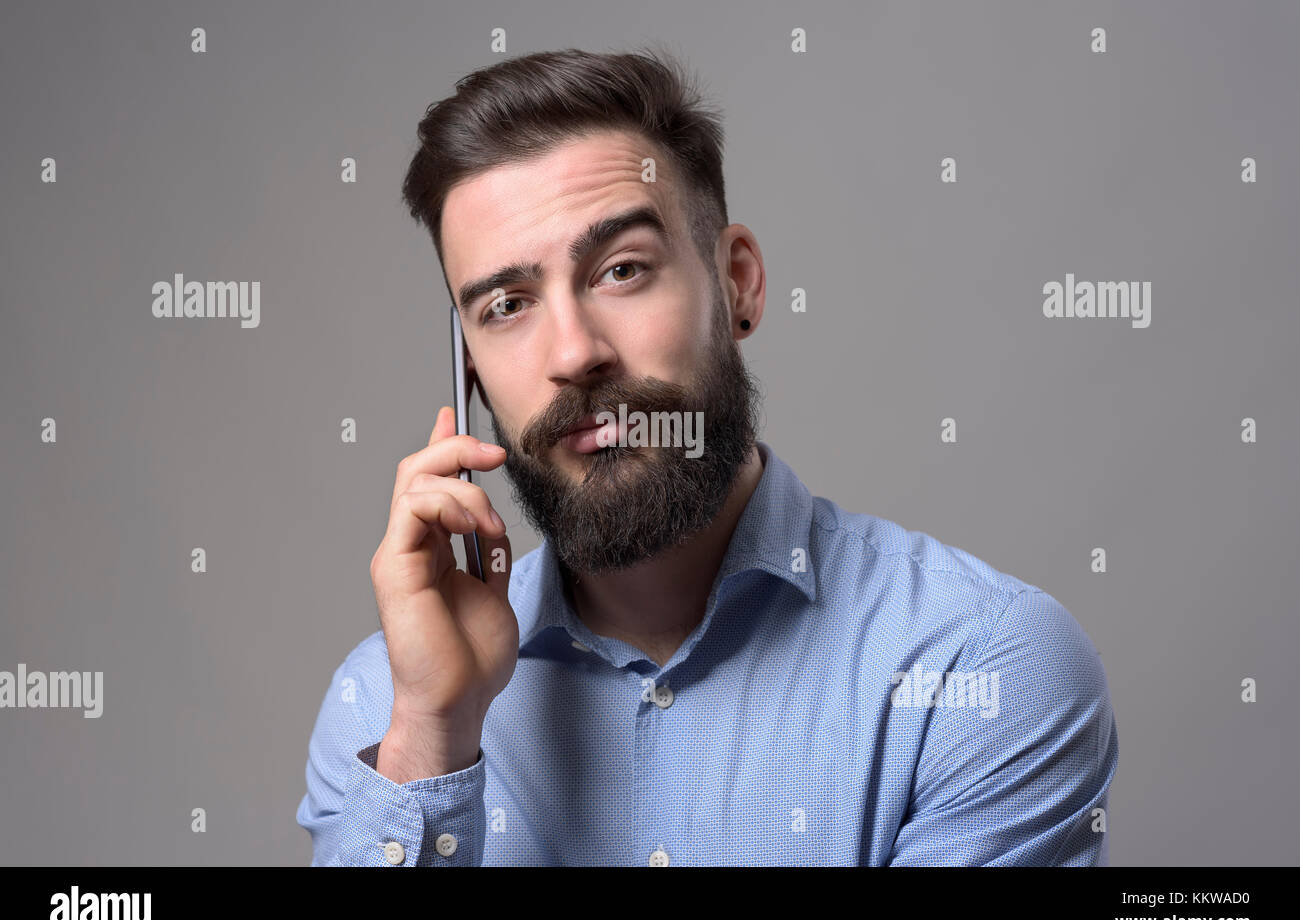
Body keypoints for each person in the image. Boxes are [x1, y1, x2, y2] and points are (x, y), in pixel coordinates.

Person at [295, 46, 1118, 866]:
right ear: (469, 368)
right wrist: (435, 735)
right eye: (507, 305)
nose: (574, 354)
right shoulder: (383, 716)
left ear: (739, 285)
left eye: (621, 270)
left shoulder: (978, 668)